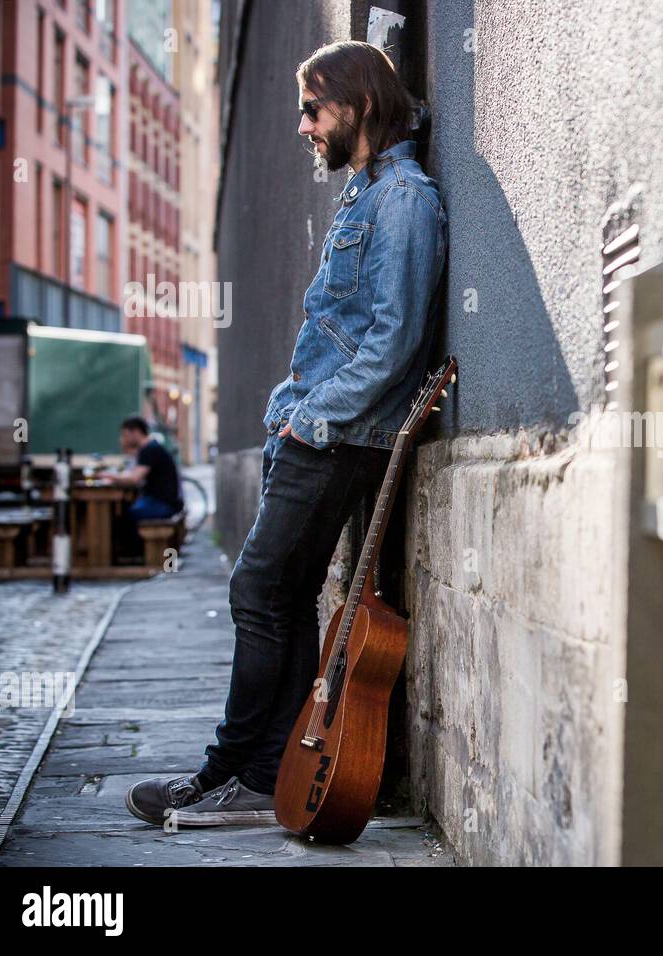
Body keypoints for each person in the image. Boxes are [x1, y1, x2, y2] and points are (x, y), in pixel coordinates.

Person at [125, 40, 448, 828]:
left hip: (336, 436)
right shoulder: (366, 194)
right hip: (318, 429)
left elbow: (393, 342)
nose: (303, 125)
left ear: (362, 105)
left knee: (256, 589)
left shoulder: (404, 200)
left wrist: (310, 417)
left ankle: (231, 769)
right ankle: (266, 776)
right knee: (285, 595)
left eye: (314, 108)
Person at [101, 416, 184, 557]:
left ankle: (137, 556)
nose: (123, 439)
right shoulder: (151, 448)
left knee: (125, 517)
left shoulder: (149, 450)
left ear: (136, 432)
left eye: (125, 435)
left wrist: (109, 476)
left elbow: (134, 478)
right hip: (165, 501)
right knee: (126, 512)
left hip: (163, 503)